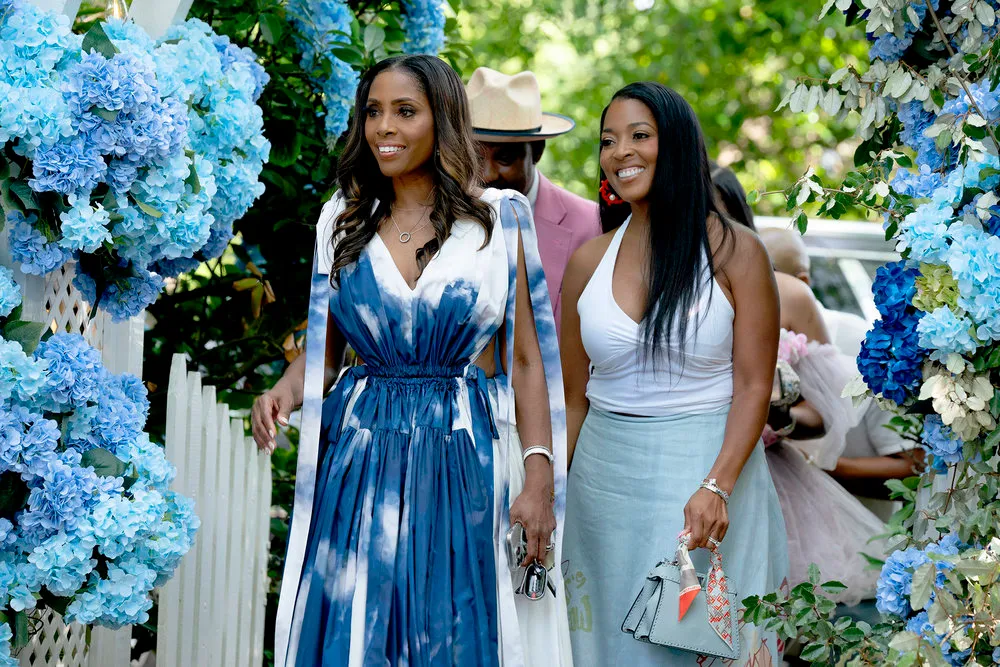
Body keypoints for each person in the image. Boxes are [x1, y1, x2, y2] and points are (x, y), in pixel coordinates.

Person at [252, 55, 572, 667]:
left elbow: (527, 361)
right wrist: (284, 392)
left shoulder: (499, 221)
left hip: (463, 456)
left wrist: (538, 474)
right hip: (361, 457)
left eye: (405, 111)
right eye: (373, 112)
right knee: (357, 622)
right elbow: (322, 354)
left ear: (442, 120)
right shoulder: (340, 221)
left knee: (450, 626)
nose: (384, 128)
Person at [560, 83, 788, 666]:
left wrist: (717, 486)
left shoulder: (737, 251)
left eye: (640, 135)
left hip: (705, 481)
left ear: (679, 146)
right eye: (609, 141)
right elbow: (573, 397)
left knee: (697, 645)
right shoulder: (589, 260)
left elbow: (755, 386)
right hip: (602, 489)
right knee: (606, 644)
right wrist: (549, 490)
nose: (620, 152)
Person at [712, 166, 885, 606]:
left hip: (774, 484)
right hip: (679, 472)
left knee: (773, 621)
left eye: (718, 217)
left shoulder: (787, 294)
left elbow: (825, 414)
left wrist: (781, 414)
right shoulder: (653, 289)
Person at [760, 227, 924, 522]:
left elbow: (914, 465)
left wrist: (809, 468)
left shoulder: (867, 348)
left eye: (764, 282)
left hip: (854, 539)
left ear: (802, 283)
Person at [467, 67, 601, 332]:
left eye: (504, 159)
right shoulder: (442, 217)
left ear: (537, 151)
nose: (487, 174)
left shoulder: (591, 225)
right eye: (475, 157)